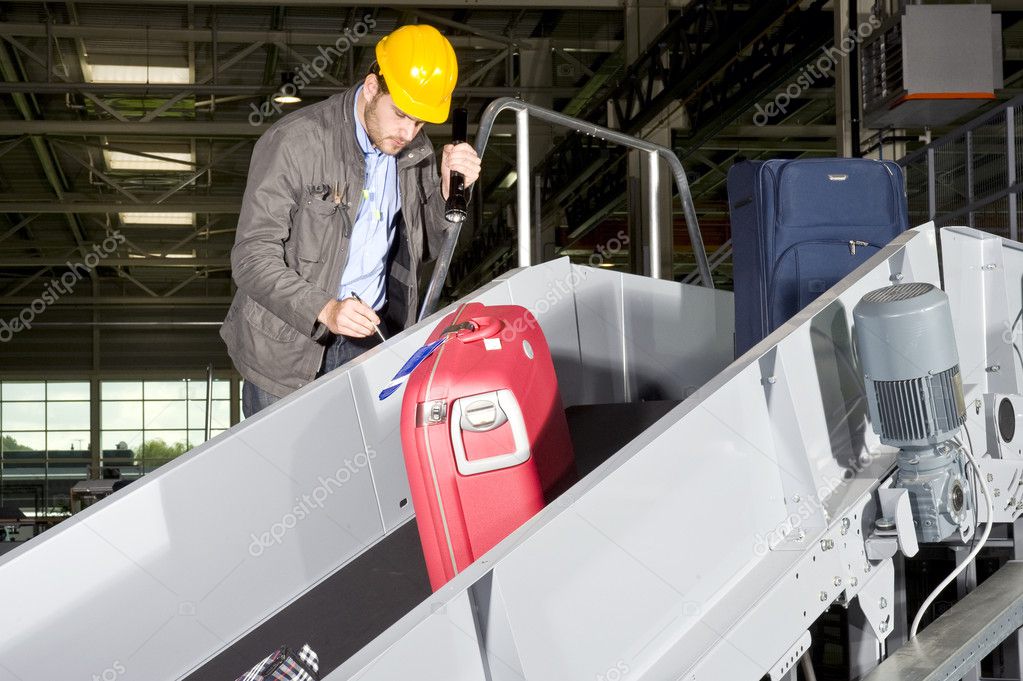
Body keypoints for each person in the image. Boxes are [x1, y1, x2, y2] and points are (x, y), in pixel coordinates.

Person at [221, 24, 481, 417]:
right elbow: (251, 258)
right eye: (401, 115)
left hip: (368, 340)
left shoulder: (413, 153)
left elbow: (424, 248)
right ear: (373, 86)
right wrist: (324, 308)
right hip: (285, 350)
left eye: (420, 123)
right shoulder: (295, 142)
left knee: (360, 472)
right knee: (286, 474)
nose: (408, 133)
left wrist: (447, 194)